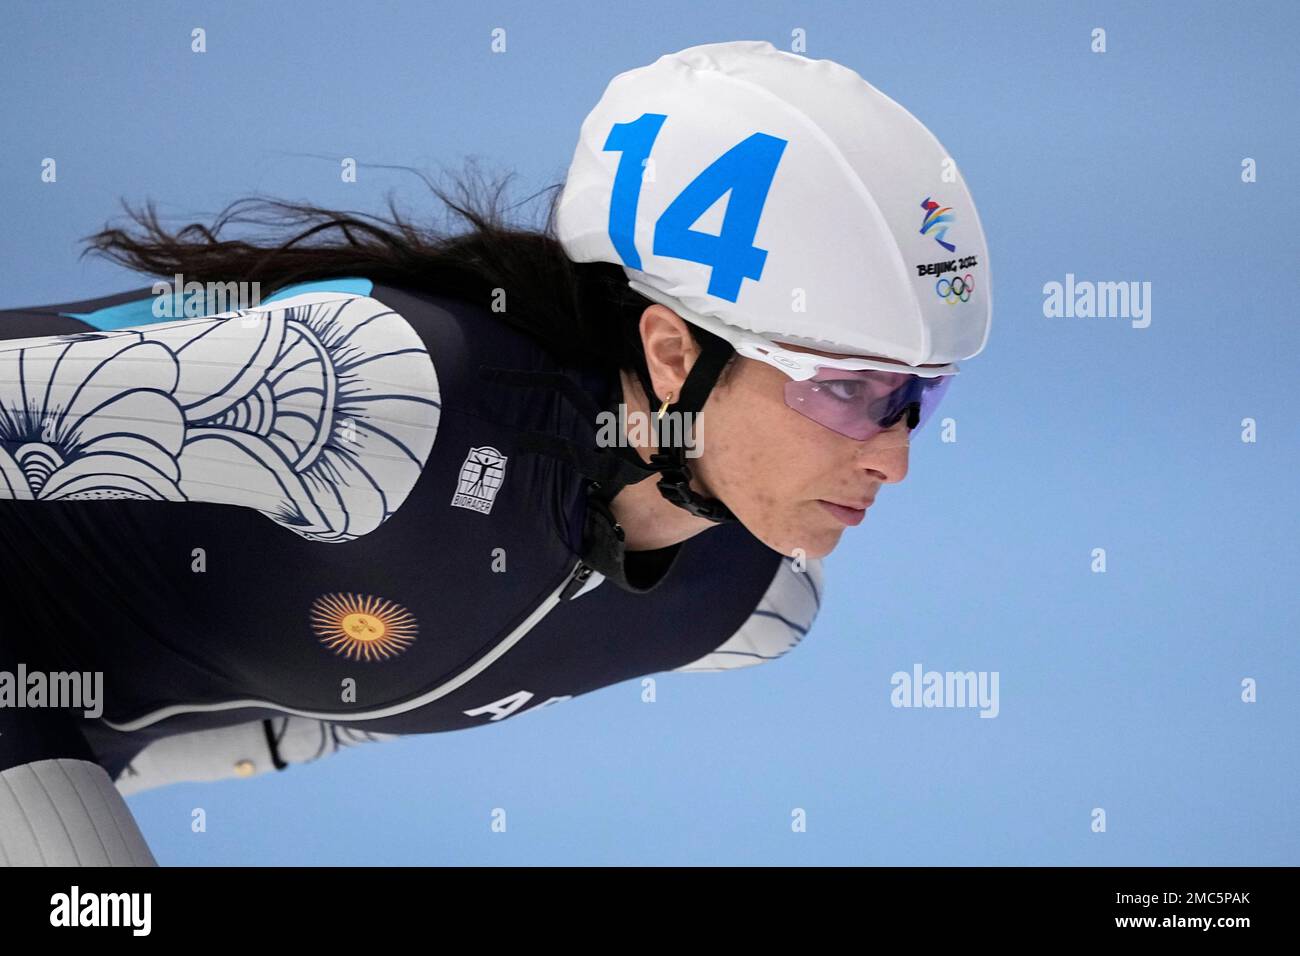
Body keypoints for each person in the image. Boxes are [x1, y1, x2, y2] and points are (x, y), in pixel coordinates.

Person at [0, 39, 990, 865]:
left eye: (916, 397)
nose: (892, 458)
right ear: (673, 349)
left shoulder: (745, 610)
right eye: (845, 389)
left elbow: (337, 698)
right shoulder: (379, 397)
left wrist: (109, 760)